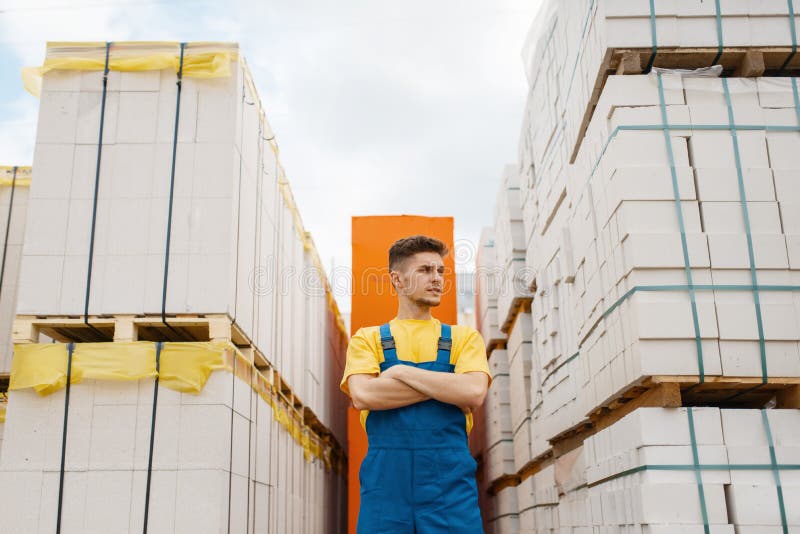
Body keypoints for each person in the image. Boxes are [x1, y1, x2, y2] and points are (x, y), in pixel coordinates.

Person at [341, 234, 490, 533]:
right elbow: (364, 395)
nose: (436, 279)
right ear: (397, 279)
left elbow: (473, 392)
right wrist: (446, 388)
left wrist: (399, 372)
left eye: (440, 271)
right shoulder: (367, 339)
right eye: (425, 270)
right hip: (386, 488)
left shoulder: (464, 338)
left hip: (449, 490)